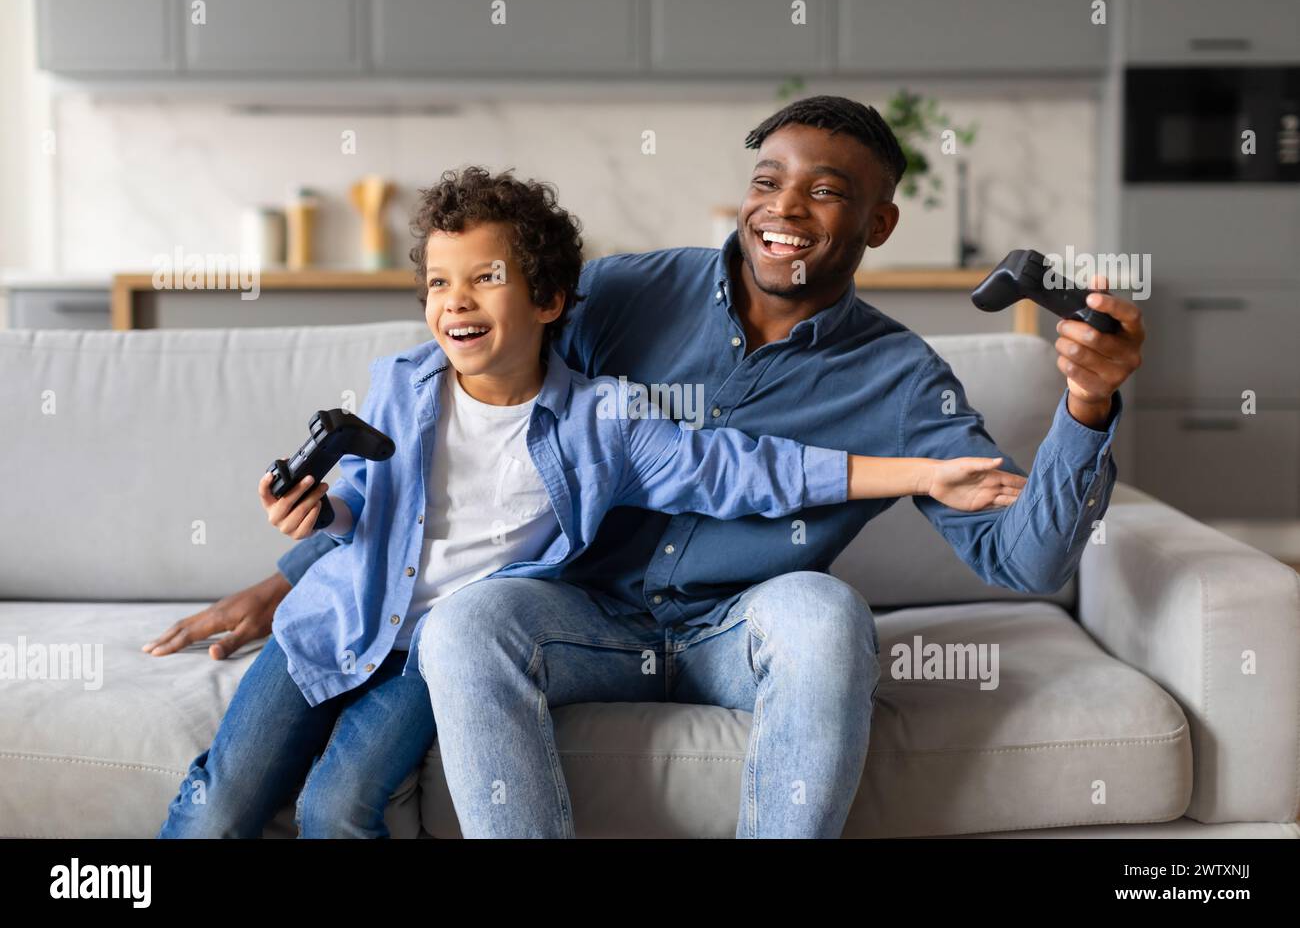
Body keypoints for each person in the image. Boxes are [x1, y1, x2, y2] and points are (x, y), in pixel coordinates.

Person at [148, 95, 1143, 838]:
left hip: (732, 629)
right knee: (465, 618)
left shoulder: (900, 379)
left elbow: (1022, 558)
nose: (784, 209)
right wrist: (292, 575)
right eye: (768, 181)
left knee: (824, 608)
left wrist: (1086, 402)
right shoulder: (621, 294)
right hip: (572, 613)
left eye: (826, 191)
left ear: (878, 223)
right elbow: (448, 427)